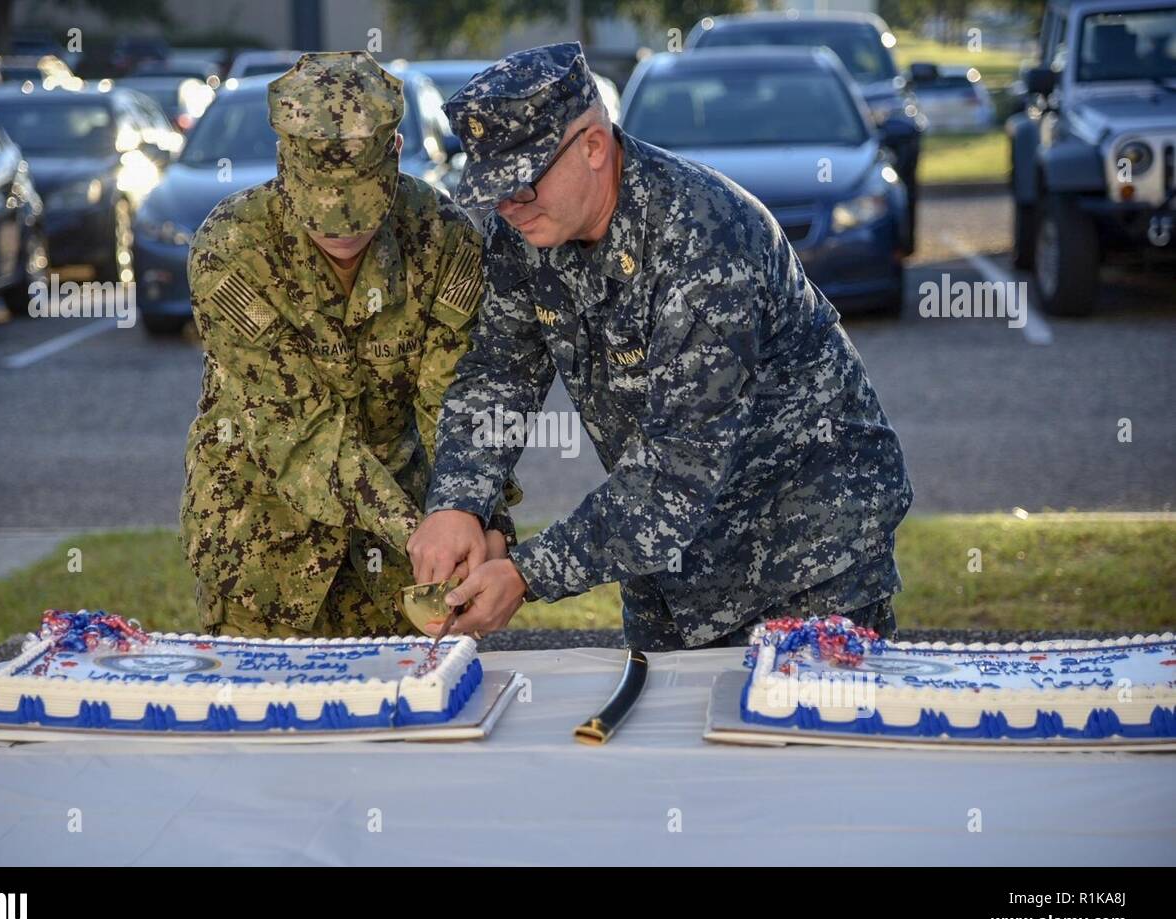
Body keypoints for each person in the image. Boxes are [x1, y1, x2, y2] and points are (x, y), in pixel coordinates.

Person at [407, 42, 912, 650]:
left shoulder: (705, 242)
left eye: (523, 183)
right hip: (670, 566)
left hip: (808, 551)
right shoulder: (526, 228)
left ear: (593, 146)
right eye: (495, 188)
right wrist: (458, 503)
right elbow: (500, 375)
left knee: (807, 733)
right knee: (661, 736)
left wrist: (526, 574)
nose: (508, 206)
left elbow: (678, 472)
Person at [181, 51, 515, 638]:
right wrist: (421, 528)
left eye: (359, 205)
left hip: (402, 570)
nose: (341, 227)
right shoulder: (230, 248)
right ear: (286, 161)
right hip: (262, 546)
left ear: (393, 154)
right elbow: (297, 432)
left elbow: (457, 402)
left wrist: (478, 518)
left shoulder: (443, 237)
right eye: (321, 206)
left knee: (411, 718)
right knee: (265, 721)